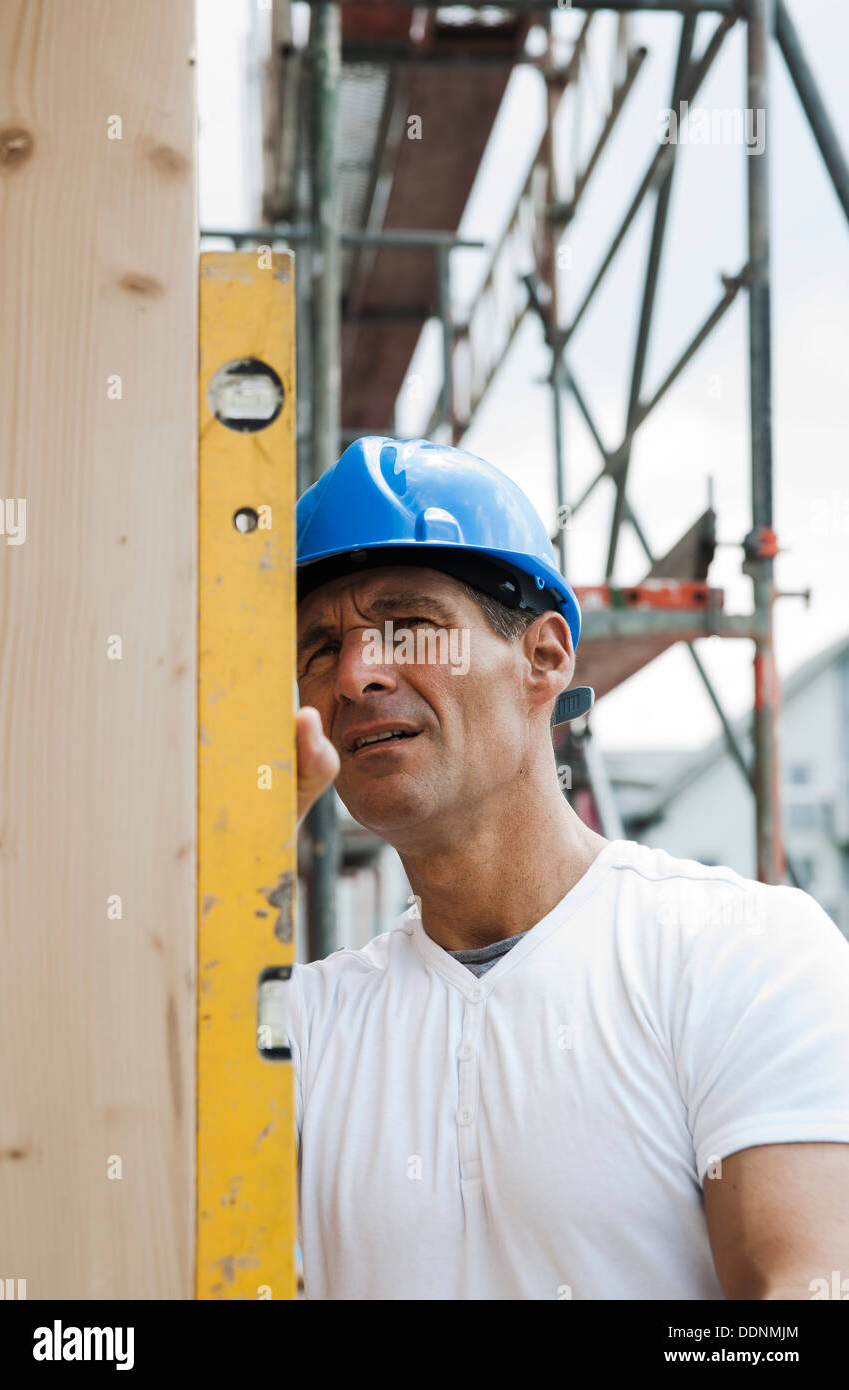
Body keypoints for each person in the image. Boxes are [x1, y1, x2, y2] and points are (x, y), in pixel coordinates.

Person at [291, 435, 849, 1301]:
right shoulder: (306, 1026)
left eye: (411, 628)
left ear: (545, 658)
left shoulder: (742, 956)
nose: (357, 674)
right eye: (321, 649)